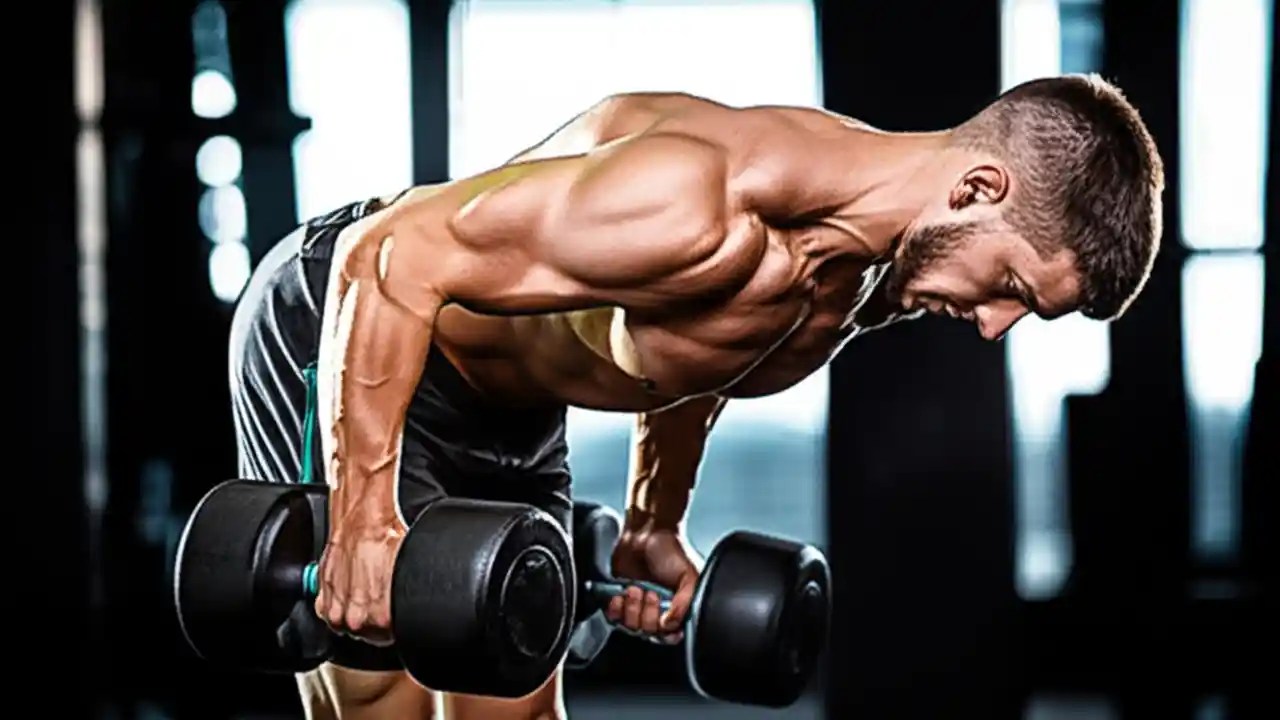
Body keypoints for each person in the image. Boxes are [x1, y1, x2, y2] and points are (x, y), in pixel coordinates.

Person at [227, 72, 1163, 719]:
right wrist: (360, 522)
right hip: (352, 323)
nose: (995, 326)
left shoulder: (866, 288)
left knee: (514, 691)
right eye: (1014, 288)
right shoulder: (705, 199)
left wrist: (650, 518)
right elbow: (389, 258)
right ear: (978, 188)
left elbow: (699, 362)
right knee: (381, 682)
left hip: (512, 414)